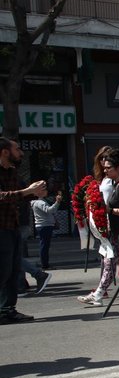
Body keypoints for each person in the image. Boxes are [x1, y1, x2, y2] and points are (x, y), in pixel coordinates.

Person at [78, 149, 119, 307]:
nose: (105, 170)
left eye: (108, 167)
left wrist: (109, 210)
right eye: (104, 167)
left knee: (110, 259)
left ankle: (98, 293)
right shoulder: (116, 184)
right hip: (118, 231)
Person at [1, 138, 46, 324]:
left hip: (12, 227)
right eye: (17, 149)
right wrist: (27, 191)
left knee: (12, 270)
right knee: (3, 271)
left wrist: (34, 194)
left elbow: (18, 197)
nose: (20, 153)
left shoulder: (11, 171)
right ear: (5, 152)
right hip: (1, 229)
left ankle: (7, 310)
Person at [31, 185, 62, 269]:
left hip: (43, 225)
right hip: (44, 225)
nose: (46, 191)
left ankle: (45, 264)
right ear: (38, 192)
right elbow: (50, 210)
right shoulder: (40, 202)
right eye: (44, 190)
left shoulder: (39, 201)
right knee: (44, 245)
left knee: (44, 245)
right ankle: (45, 265)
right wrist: (57, 202)